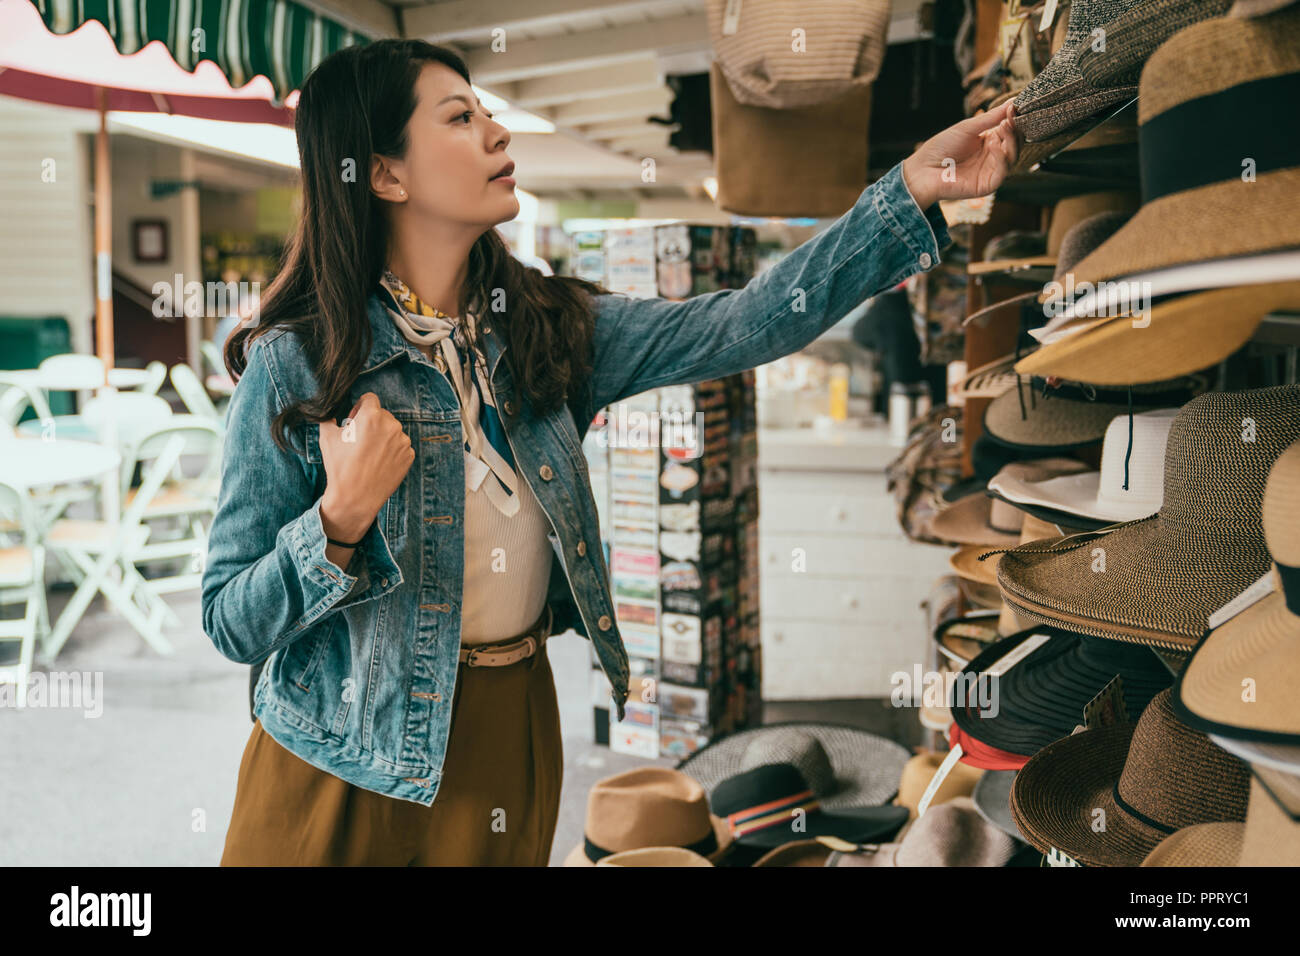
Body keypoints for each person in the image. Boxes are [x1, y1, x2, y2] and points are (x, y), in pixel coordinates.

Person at [202, 37, 1019, 866]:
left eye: (489, 112)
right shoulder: (298, 363)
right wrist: (339, 520)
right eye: (461, 117)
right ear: (384, 174)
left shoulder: (547, 332)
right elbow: (230, 619)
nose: (497, 134)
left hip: (506, 735)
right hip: (339, 764)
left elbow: (745, 321)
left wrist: (911, 190)